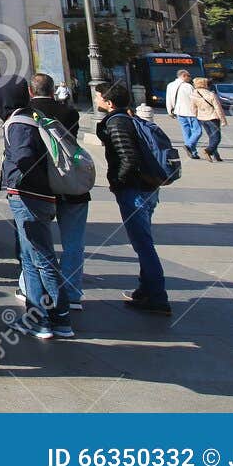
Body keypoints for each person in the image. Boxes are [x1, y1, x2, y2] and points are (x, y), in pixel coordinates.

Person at [0, 74, 73, 340]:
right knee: (36, 256)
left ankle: (47, 318)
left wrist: (19, 178)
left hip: (28, 195)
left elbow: (22, 156)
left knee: (36, 258)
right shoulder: (36, 117)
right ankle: (51, 316)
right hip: (43, 195)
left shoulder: (18, 122)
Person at [94, 81, 172, 314]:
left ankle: (158, 297)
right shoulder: (128, 119)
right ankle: (145, 289)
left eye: (99, 97)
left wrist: (117, 182)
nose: (96, 100)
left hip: (134, 190)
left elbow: (128, 158)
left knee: (143, 244)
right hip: (147, 188)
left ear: (109, 103)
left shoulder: (116, 122)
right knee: (143, 241)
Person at [30, 71, 89, 311]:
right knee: (74, 241)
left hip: (39, 184)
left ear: (31, 91)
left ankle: (37, 290)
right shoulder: (70, 112)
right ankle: (72, 292)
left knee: (34, 241)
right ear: (53, 90)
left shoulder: (26, 113)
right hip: (70, 181)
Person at [164, 68, 202, 159]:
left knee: (186, 132)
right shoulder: (188, 86)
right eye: (188, 76)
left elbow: (168, 99)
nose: (190, 78)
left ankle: (193, 152)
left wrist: (169, 111)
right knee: (198, 131)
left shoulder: (170, 85)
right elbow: (195, 99)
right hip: (190, 112)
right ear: (183, 76)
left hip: (178, 112)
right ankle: (189, 146)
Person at [190, 76, 227, 163]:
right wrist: (223, 120)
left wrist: (196, 117)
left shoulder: (193, 95)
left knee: (211, 136)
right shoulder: (211, 94)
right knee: (217, 138)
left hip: (202, 118)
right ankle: (208, 151)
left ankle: (216, 155)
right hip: (212, 117)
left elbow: (193, 108)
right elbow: (218, 108)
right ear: (205, 84)